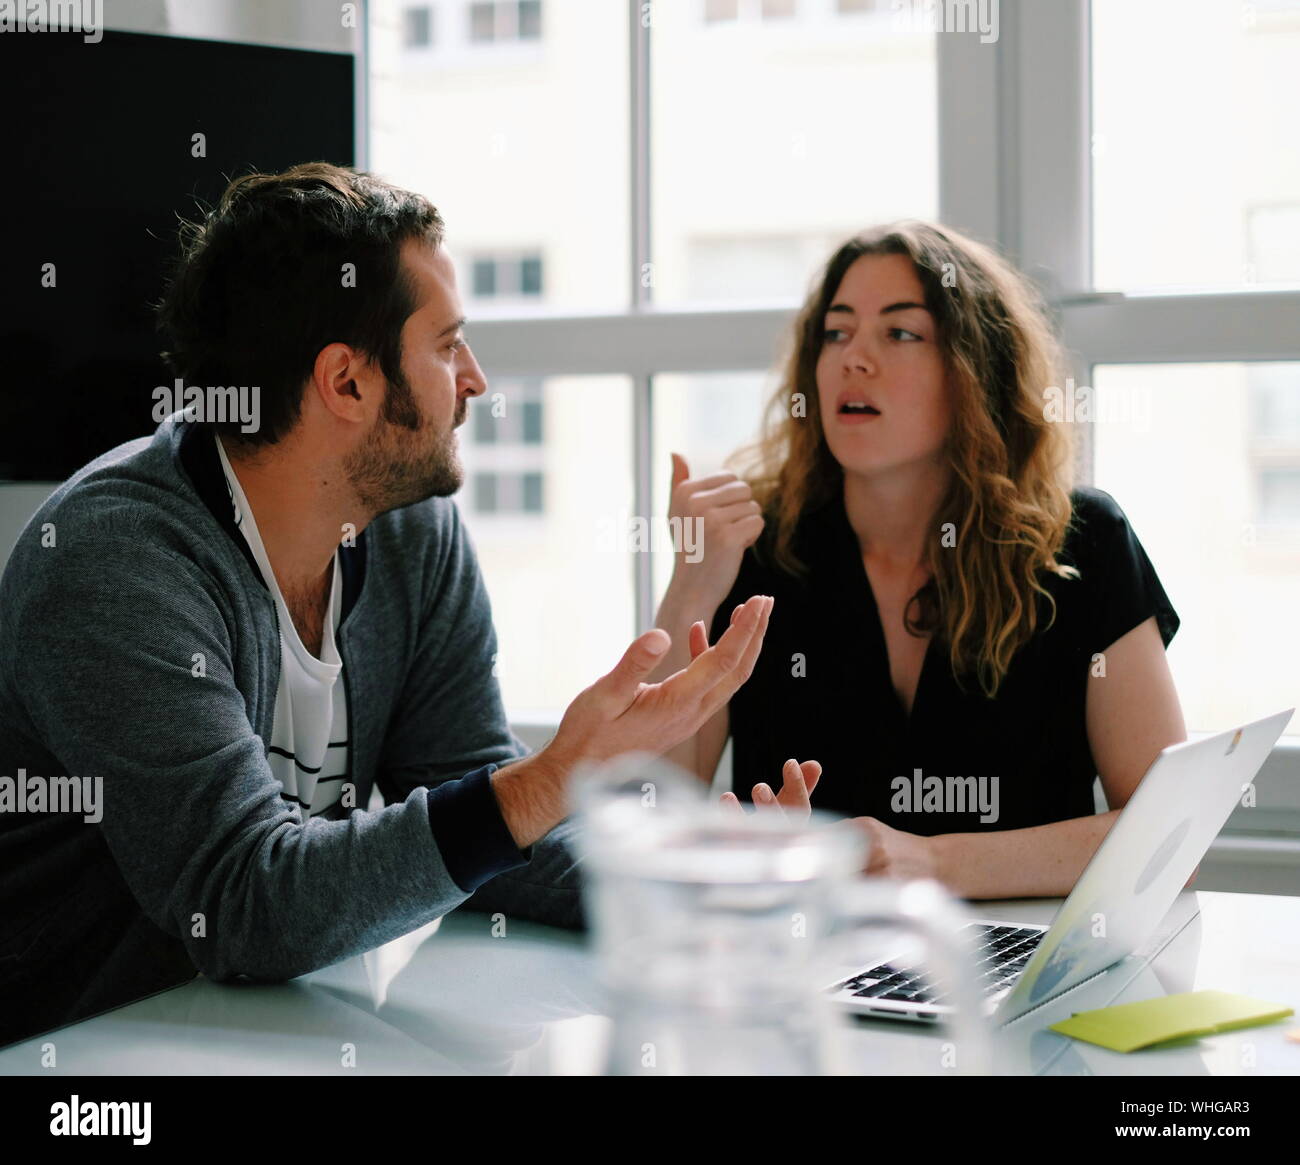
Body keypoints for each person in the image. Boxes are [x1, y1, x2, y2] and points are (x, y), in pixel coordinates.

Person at [0, 163, 774, 1047]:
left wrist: (699, 885)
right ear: (348, 383)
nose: (477, 380)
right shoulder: (115, 563)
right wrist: (551, 776)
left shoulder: (410, 536)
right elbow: (245, 903)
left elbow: (488, 831)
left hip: (262, 1038)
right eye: (447, 346)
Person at [649, 220, 1188, 899]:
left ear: (974, 373)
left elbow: (1174, 838)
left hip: (1028, 977)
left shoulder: (1084, 543)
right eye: (837, 332)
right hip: (808, 966)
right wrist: (690, 590)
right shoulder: (755, 549)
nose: (854, 358)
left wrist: (931, 862)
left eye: (900, 333)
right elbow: (649, 823)